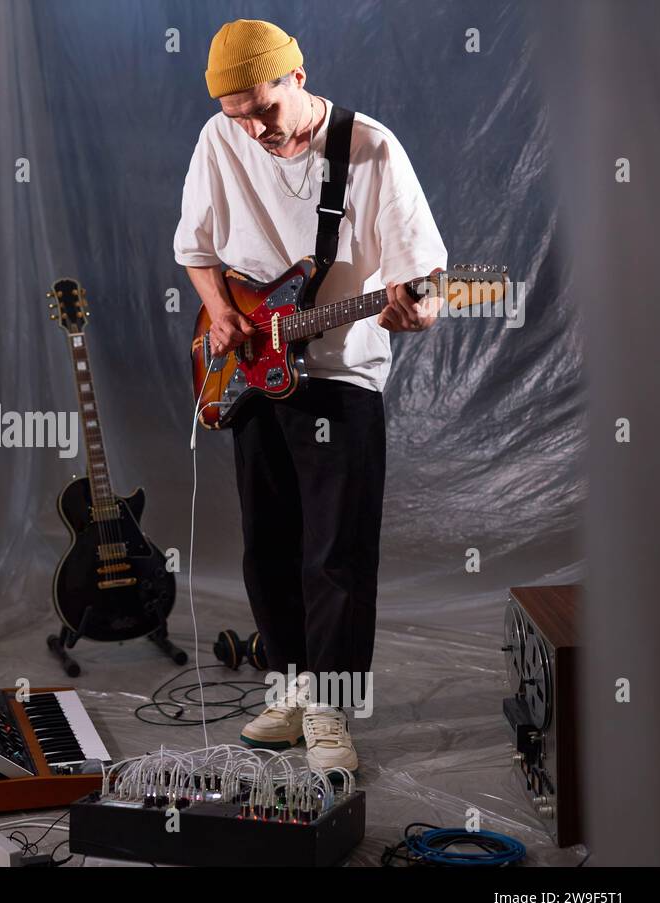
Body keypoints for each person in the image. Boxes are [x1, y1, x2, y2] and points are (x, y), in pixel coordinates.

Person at [173, 18, 447, 772]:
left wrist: (416, 308)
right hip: (252, 372)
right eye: (237, 115)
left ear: (298, 78)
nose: (255, 129)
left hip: (341, 380)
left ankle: (331, 713)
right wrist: (224, 313)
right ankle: (290, 688)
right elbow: (196, 249)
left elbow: (423, 283)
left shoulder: (371, 149)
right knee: (267, 547)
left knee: (336, 556)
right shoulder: (219, 138)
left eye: (264, 108)